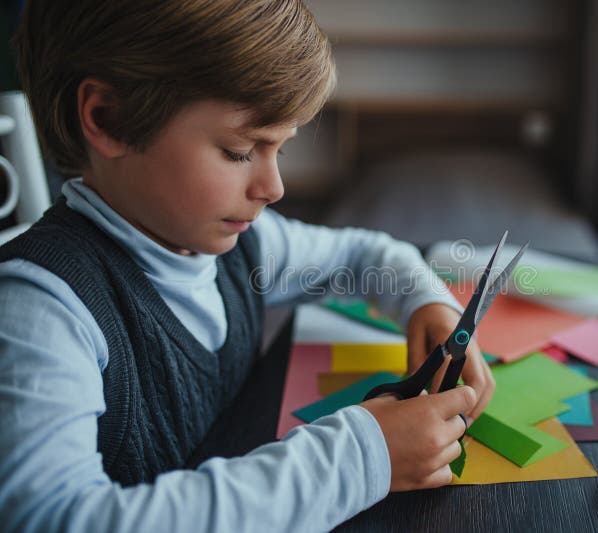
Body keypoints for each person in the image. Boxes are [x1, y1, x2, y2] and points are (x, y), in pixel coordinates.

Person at [0, 1, 496, 531]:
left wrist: (428, 304)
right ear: (107, 119)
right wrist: (359, 458)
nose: (274, 188)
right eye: (240, 150)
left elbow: (366, 255)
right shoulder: (38, 311)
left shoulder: (237, 243)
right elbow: (49, 517)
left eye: (279, 149)